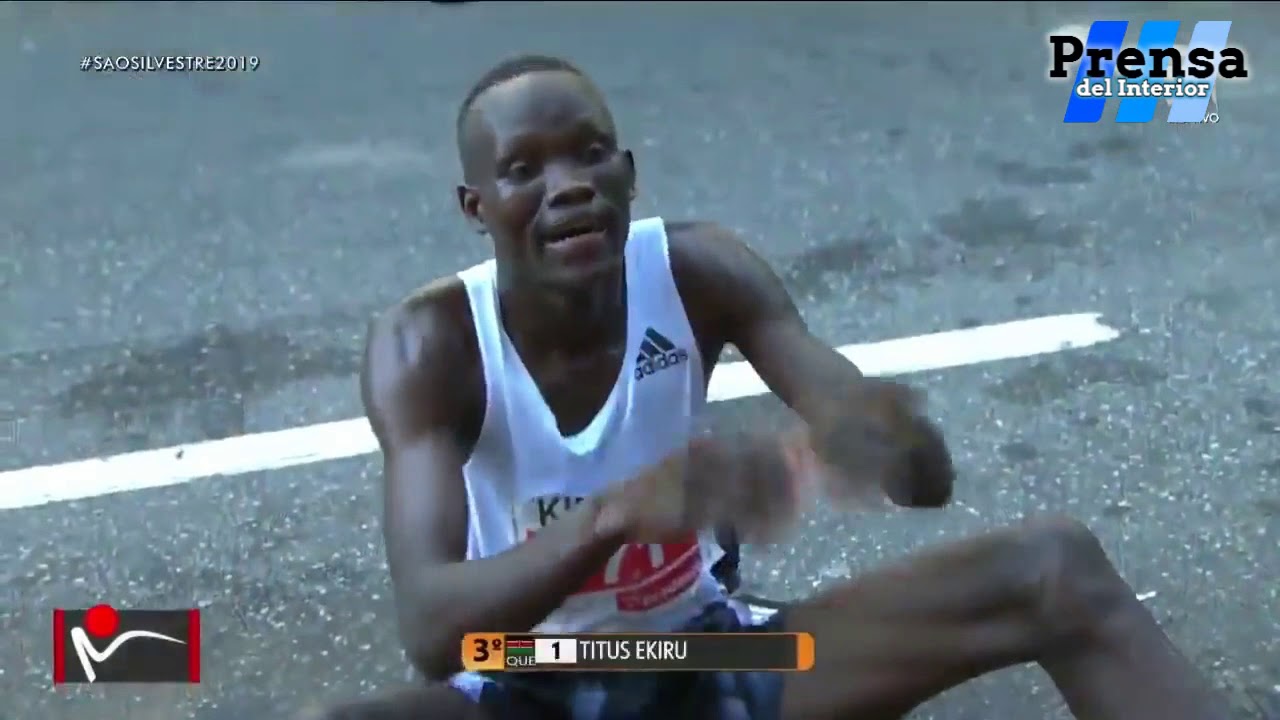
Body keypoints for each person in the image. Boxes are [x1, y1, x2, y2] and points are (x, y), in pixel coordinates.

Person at [339, 54, 1230, 720]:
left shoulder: (701, 271)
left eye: (590, 155)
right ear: (476, 207)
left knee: (1055, 567)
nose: (568, 187)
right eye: (524, 170)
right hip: (524, 677)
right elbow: (434, 632)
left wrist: (874, 434)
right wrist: (614, 517)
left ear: (629, 174)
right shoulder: (429, 345)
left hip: (712, 656)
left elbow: (924, 482)